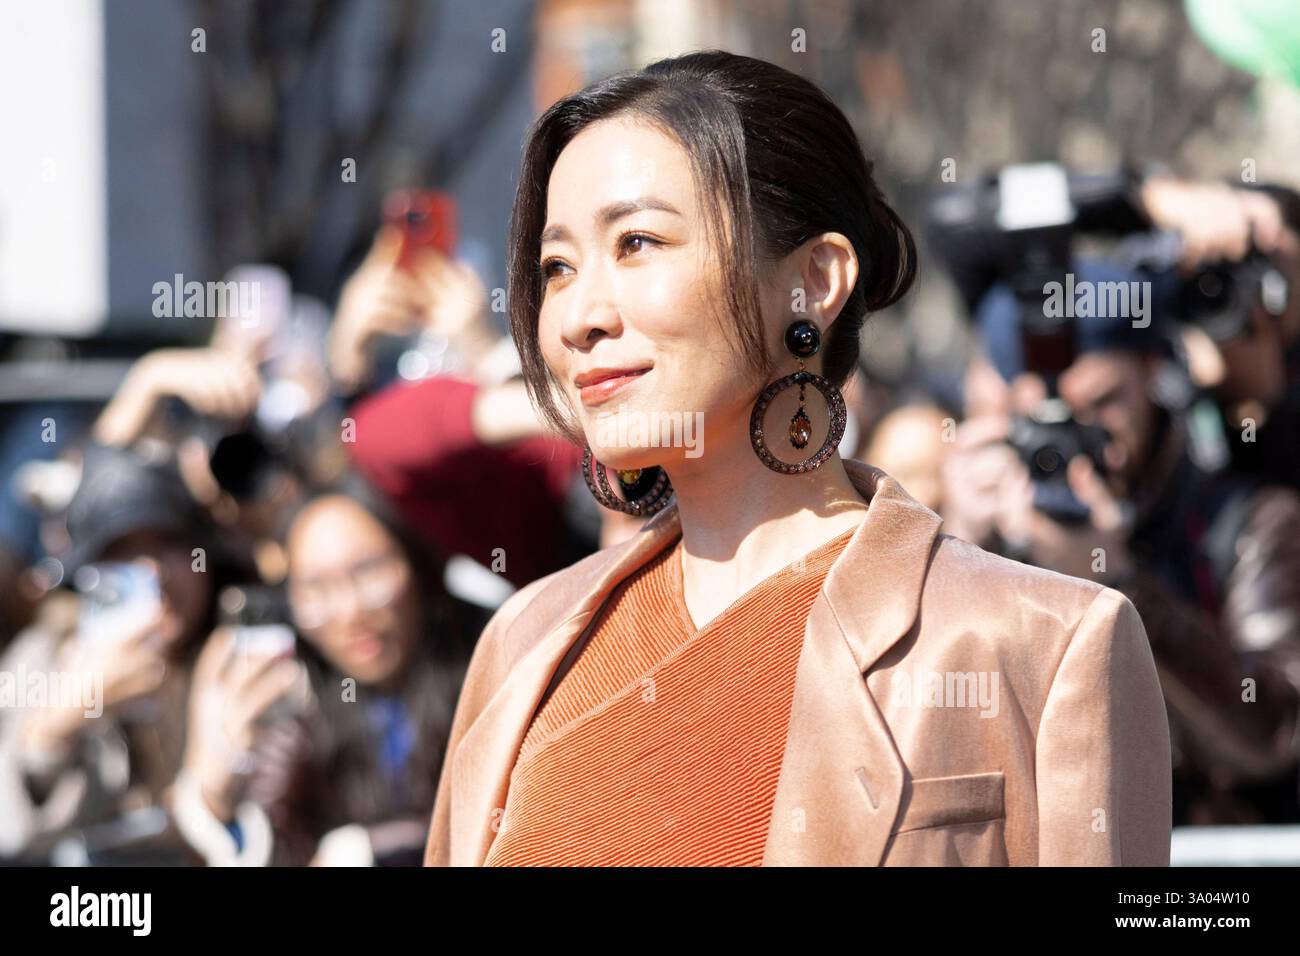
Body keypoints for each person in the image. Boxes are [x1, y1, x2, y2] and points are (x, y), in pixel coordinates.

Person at [424, 50, 1170, 867]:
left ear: (814, 279)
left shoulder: (1040, 643)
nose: (578, 315)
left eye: (636, 241)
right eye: (557, 267)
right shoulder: (525, 644)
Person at [946, 262, 1300, 825]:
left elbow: (1273, 732)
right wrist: (959, 550)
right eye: (1050, 422)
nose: (1083, 443)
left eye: (1104, 405)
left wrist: (1118, 582)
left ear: (1154, 374)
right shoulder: (994, 530)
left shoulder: (1252, 523)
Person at [175, 477, 475, 865]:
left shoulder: (484, 662)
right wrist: (216, 791)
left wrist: (368, 848)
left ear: (415, 565)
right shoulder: (297, 702)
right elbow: (276, 839)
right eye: (316, 587)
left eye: (369, 571)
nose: (351, 611)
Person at [0, 442, 259, 863]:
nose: (152, 572)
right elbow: (8, 834)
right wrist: (54, 730)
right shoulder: (45, 658)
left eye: (167, 544)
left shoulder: (241, 653)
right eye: (122, 551)